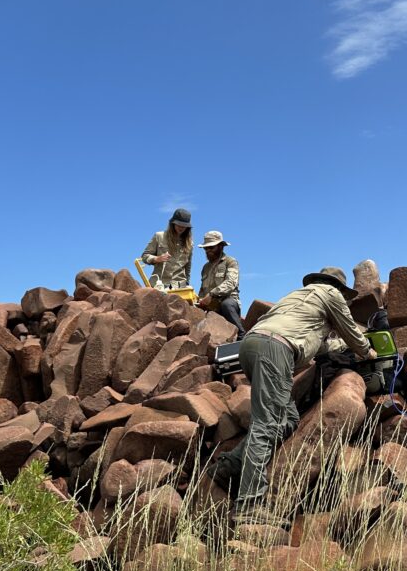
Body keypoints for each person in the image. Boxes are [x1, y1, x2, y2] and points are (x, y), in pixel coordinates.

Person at [213, 267, 375, 524]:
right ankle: (249, 504)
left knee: (286, 419)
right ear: (339, 289)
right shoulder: (330, 293)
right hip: (275, 348)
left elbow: (321, 344)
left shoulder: (300, 300)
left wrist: (343, 345)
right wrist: (367, 350)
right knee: (267, 425)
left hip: (253, 345)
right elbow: (350, 331)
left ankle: (231, 465)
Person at [196, 230, 245, 339]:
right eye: (206, 248)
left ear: (221, 246)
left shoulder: (230, 261)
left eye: (211, 247)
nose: (208, 251)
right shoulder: (205, 267)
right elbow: (202, 289)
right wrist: (200, 300)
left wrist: (211, 295)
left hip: (229, 303)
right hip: (211, 306)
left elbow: (230, 283)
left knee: (226, 305)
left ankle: (241, 336)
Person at [141, 208, 193, 288]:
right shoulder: (159, 236)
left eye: (184, 225)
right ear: (173, 223)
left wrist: (187, 283)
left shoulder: (190, 243)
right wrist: (157, 258)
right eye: (179, 224)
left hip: (179, 287)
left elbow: (188, 266)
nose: (181, 227)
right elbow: (144, 256)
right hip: (158, 284)